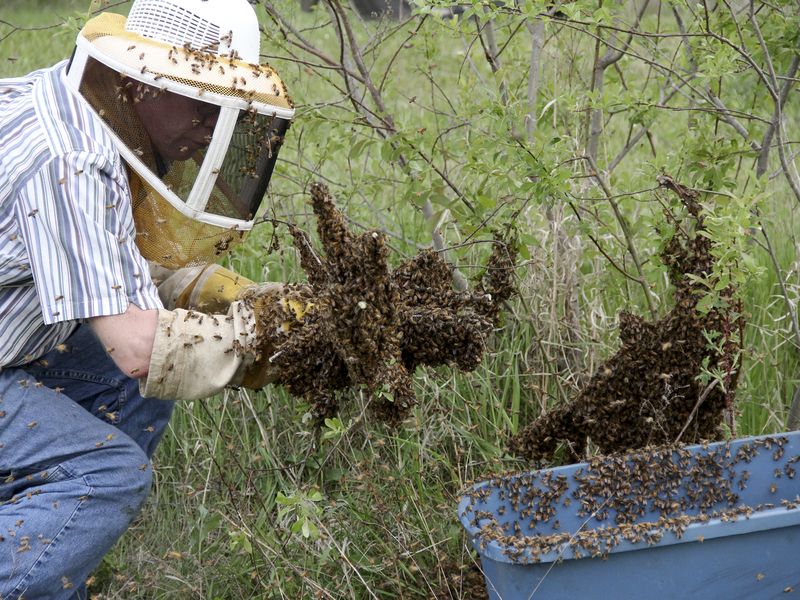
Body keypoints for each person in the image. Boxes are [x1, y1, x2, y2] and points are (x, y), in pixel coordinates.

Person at [0, 0, 295, 596]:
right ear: (143, 81)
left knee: (136, 384)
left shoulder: (64, 103)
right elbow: (138, 345)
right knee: (104, 473)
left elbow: (101, 269)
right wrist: (269, 335)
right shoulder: (71, 160)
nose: (212, 126)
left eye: (224, 110)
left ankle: (45, 551)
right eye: (202, 103)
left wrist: (214, 293)